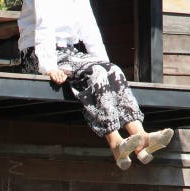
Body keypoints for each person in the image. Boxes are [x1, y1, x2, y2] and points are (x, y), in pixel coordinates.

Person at [17, 0, 173, 170]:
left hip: (68, 52)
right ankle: (115, 142)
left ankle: (140, 136)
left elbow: (90, 30)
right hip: (37, 54)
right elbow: (43, 25)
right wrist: (49, 67)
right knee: (96, 73)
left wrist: (107, 68)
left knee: (114, 71)